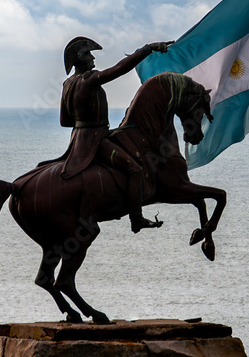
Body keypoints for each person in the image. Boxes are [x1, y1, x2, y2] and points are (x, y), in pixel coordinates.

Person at [60, 36, 173, 232]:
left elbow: (65, 121)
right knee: (135, 169)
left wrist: (84, 121)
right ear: (79, 60)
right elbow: (120, 69)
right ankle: (136, 219)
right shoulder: (90, 80)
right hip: (95, 141)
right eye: (88, 54)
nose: (93, 59)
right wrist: (146, 49)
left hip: (76, 140)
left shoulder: (68, 84)